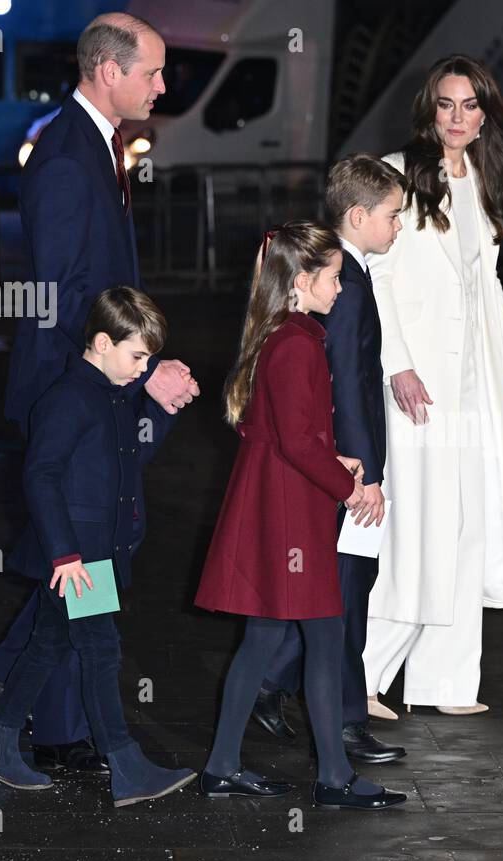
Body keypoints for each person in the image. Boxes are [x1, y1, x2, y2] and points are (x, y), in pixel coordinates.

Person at [0, 12, 198, 774]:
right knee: (87, 558)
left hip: (98, 379)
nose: (162, 86)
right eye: (152, 73)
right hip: (74, 384)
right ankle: (67, 734)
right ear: (108, 71)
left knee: (89, 557)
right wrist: (138, 364)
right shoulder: (68, 157)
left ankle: (17, 698)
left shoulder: (92, 145)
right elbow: (62, 297)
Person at [194, 222, 407, 811]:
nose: (341, 289)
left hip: (283, 500)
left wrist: (333, 461)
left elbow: (281, 431)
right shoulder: (293, 343)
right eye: (334, 279)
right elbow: (296, 442)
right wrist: (350, 487)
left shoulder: (284, 334)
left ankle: (230, 768)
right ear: (303, 279)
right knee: (308, 634)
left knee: (275, 637)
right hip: (292, 510)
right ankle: (326, 778)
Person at [361, 54, 503, 715]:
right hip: (419, 382)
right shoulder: (397, 172)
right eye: (447, 104)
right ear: (429, 109)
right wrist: (397, 363)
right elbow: (373, 274)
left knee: (469, 525)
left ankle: (445, 683)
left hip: (474, 382)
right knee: (417, 530)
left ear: (486, 113)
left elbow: (485, 281)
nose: (459, 117)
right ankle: (365, 677)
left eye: (471, 105)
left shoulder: (482, 178)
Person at [0, 287, 196, 807]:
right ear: (100, 341)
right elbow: (41, 476)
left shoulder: (112, 394)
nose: (144, 368)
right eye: (137, 355)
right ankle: (127, 766)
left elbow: (129, 459)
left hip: (92, 555)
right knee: (101, 650)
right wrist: (66, 556)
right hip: (78, 560)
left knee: (48, 645)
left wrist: (162, 411)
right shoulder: (69, 399)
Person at [249, 156, 409, 763]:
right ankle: (341, 722)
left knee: (339, 586)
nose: (399, 226)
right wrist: (360, 474)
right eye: (393, 216)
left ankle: (272, 684)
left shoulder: (347, 273)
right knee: (344, 591)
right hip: (346, 468)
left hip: (339, 462)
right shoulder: (348, 280)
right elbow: (345, 382)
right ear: (359, 215)